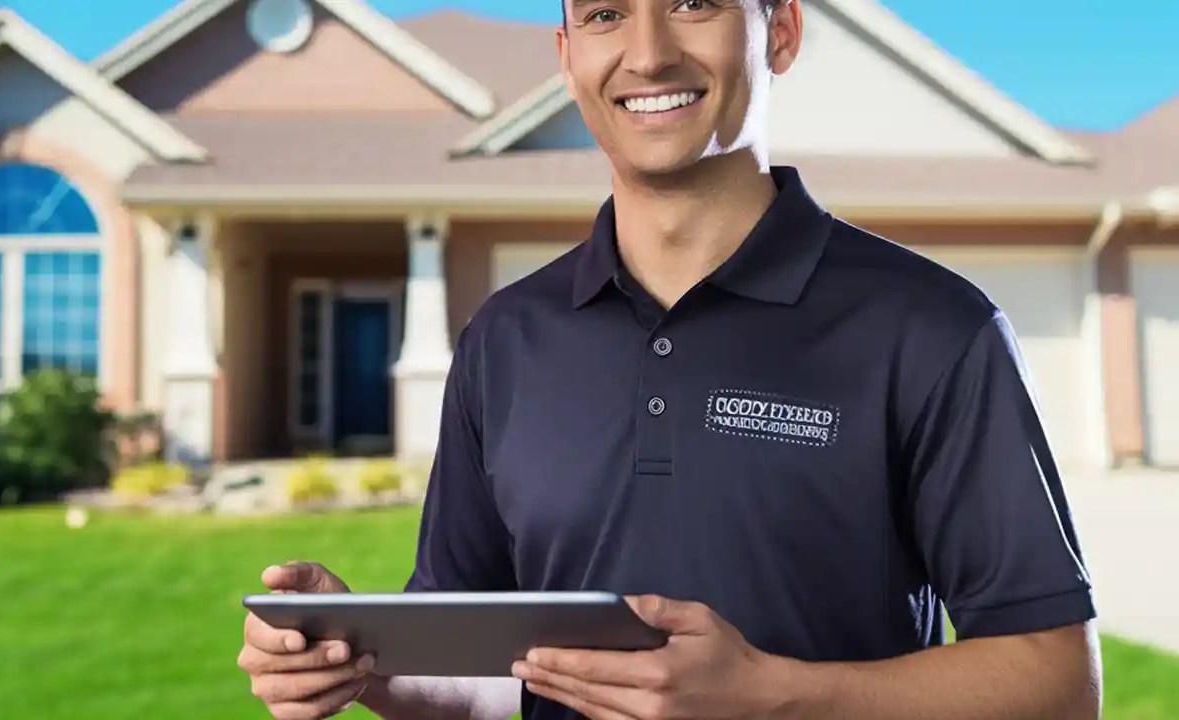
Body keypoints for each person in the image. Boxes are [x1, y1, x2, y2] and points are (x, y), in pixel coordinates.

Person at [238, 0, 1104, 718]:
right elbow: (490, 680)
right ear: (569, 55)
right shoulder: (505, 339)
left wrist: (775, 696)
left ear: (782, 32)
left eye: (694, 4)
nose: (648, 55)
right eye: (608, 14)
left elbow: (1059, 681)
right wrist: (360, 660)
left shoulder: (932, 327)